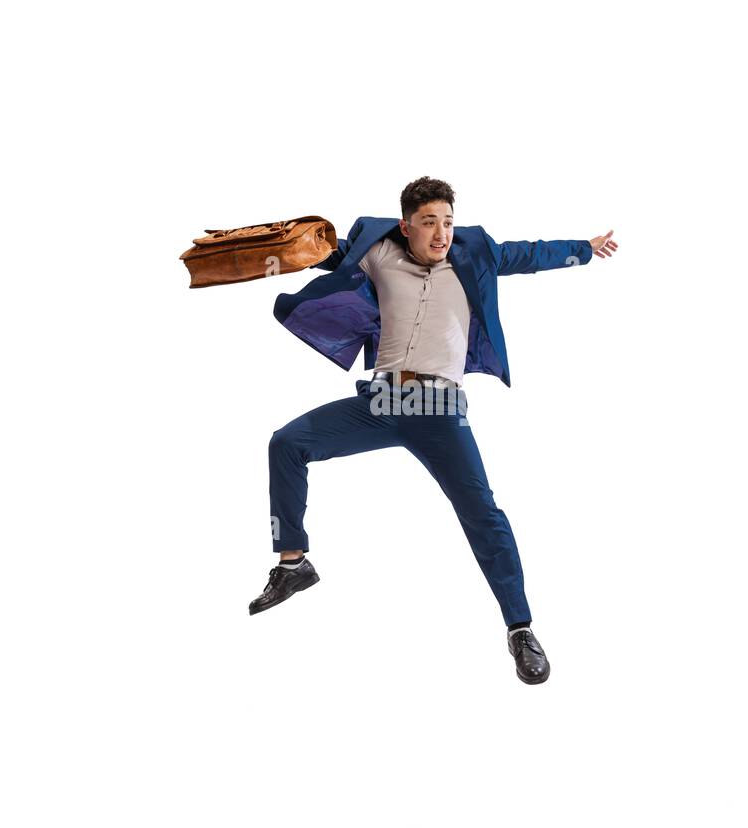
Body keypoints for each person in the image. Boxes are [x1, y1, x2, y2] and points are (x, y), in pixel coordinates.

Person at [249, 176, 618, 684]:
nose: (441, 232)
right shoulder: (378, 252)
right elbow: (320, 255)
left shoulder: (475, 254)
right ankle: (293, 564)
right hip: (379, 400)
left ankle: (520, 628)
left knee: (482, 514)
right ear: (407, 225)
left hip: (438, 409)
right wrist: (267, 254)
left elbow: (528, 254)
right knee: (287, 443)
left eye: (447, 221)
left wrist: (585, 250)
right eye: (429, 223)